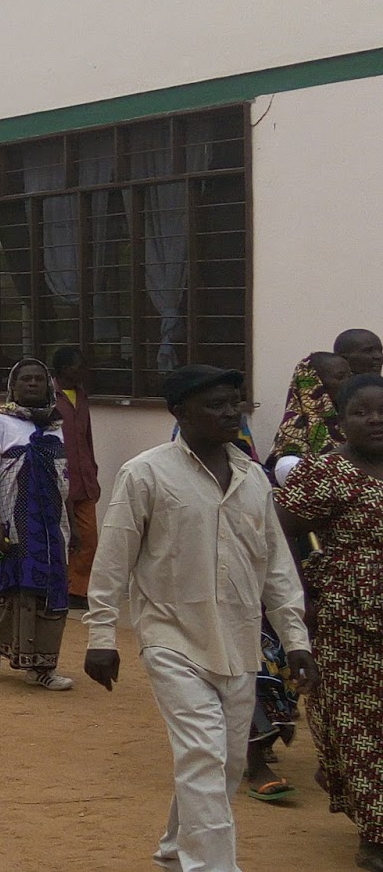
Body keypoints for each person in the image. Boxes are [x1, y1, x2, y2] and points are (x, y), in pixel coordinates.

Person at [86, 364, 316, 871]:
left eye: (235, 401)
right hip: (170, 638)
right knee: (203, 755)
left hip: (237, 643)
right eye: (215, 404)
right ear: (180, 413)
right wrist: (100, 635)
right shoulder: (145, 473)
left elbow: (276, 565)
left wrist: (295, 637)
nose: (231, 412)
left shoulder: (254, 478)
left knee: (226, 763)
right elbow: (112, 562)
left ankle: (174, 849)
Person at [276, 372, 383, 871]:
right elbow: (279, 537)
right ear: (340, 421)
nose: (375, 419)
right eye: (362, 411)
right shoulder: (323, 474)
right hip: (348, 617)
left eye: (382, 409)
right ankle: (375, 834)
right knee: (359, 727)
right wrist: (301, 599)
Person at [0, 358, 74, 689]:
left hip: (52, 525)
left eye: (38, 379)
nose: (32, 384)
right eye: (25, 379)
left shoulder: (57, 425)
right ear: (13, 386)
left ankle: (41, 667)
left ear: (49, 385)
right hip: (15, 521)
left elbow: (64, 479)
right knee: (14, 585)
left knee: (50, 589)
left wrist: (71, 525)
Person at [52, 347, 98, 610]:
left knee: (88, 537)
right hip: (60, 479)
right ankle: (59, 586)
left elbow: (87, 436)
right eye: (78, 366)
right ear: (63, 369)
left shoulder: (82, 396)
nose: (82, 370)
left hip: (84, 479)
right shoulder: (49, 397)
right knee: (64, 537)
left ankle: (77, 591)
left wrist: (93, 468)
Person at [267, 350, 352, 484]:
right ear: (315, 384)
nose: (349, 383)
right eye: (340, 377)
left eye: (350, 376)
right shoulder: (293, 434)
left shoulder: (352, 422)